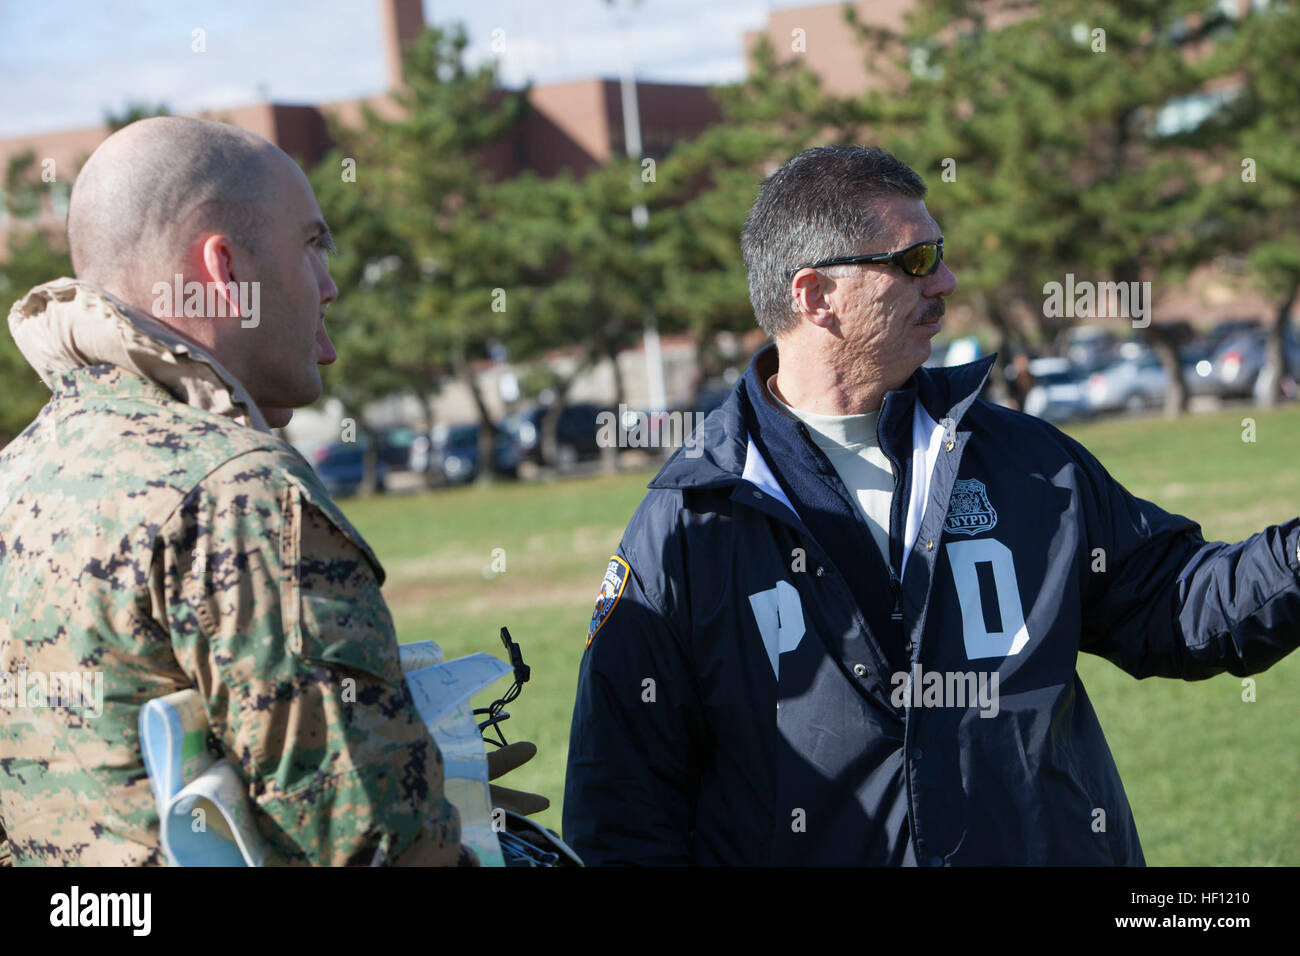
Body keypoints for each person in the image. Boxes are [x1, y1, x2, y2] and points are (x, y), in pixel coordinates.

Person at [562, 145, 1300, 865]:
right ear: (815, 296)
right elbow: (622, 807)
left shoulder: (1024, 462)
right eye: (913, 260)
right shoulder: (689, 525)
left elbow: (1178, 604)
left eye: (939, 253)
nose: (945, 280)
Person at [0, 116, 542, 866]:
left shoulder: (17, 476)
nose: (331, 283)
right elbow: (365, 843)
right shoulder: (237, 489)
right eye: (313, 245)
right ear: (224, 269)